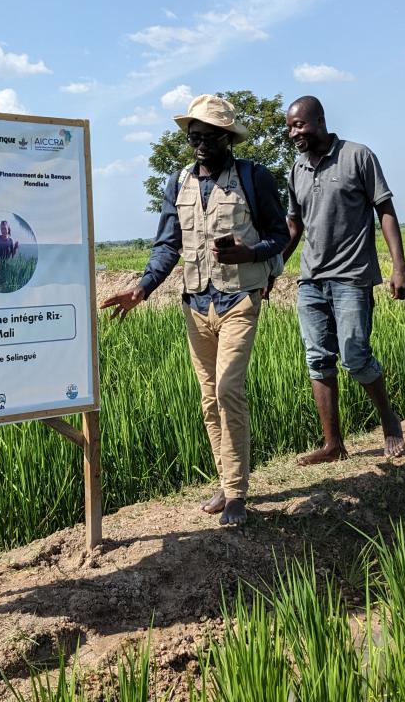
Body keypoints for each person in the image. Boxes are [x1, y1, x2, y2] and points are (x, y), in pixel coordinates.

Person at [100, 94, 289, 526]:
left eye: (210, 136)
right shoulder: (179, 182)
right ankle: (226, 484)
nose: (200, 144)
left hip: (240, 298)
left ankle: (238, 492)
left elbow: (279, 235)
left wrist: (250, 253)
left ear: (227, 138)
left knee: (228, 390)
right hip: (195, 304)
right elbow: (168, 244)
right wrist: (141, 289)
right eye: (194, 136)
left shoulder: (253, 177)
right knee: (208, 400)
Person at [282, 95, 405, 464]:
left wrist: (398, 267)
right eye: (290, 127)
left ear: (320, 121)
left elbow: (384, 209)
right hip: (311, 280)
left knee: (354, 356)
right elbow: (294, 226)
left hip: (352, 278)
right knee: (317, 359)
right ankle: (333, 444)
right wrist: (273, 268)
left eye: (299, 125)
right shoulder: (296, 171)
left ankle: (389, 421)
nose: (294, 134)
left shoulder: (357, 156)